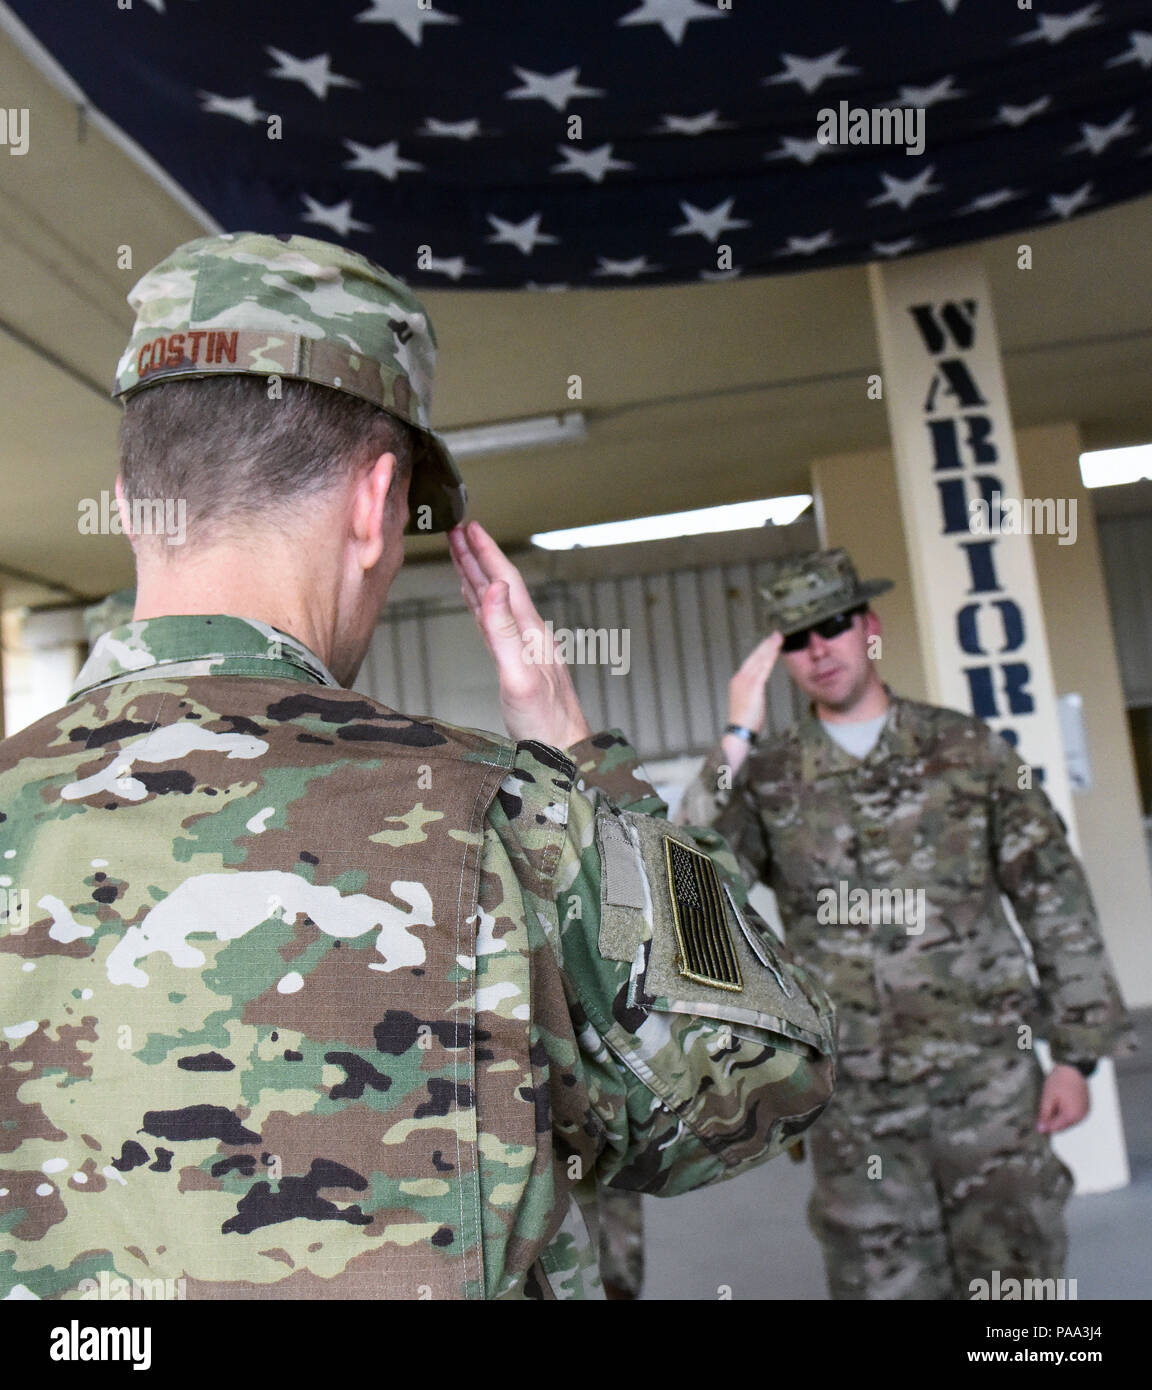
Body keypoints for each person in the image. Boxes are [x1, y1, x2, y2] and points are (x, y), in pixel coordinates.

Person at [0, 232, 834, 1302]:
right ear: (373, 500)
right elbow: (770, 1071)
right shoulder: (504, 814)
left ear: (126, 501)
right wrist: (584, 760)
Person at [676, 547, 1135, 1301]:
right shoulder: (769, 776)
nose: (818, 649)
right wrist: (735, 735)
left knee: (1017, 1283)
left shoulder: (965, 750)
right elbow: (691, 885)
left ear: (869, 627)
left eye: (832, 625)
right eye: (795, 638)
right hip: (855, 1103)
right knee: (880, 1285)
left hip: (988, 1085)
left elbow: (1052, 894)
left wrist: (1076, 1055)